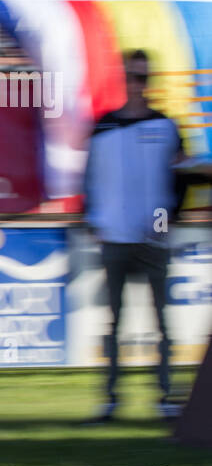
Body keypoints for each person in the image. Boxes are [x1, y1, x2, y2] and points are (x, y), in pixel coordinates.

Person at [81, 49, 188, 424]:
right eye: (132, 76)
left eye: (144, 77)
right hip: (115, 240)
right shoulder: (103, 127)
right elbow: (90, 179)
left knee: (161, 322)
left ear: (150, 81)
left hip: (153, 240)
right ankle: (110, 401)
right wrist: (94, 220)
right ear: (122, 79)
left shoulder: (167, 126)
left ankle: (165, 399)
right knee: (115, 323)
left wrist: (160, 225)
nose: (138, 84)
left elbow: (177, 186)